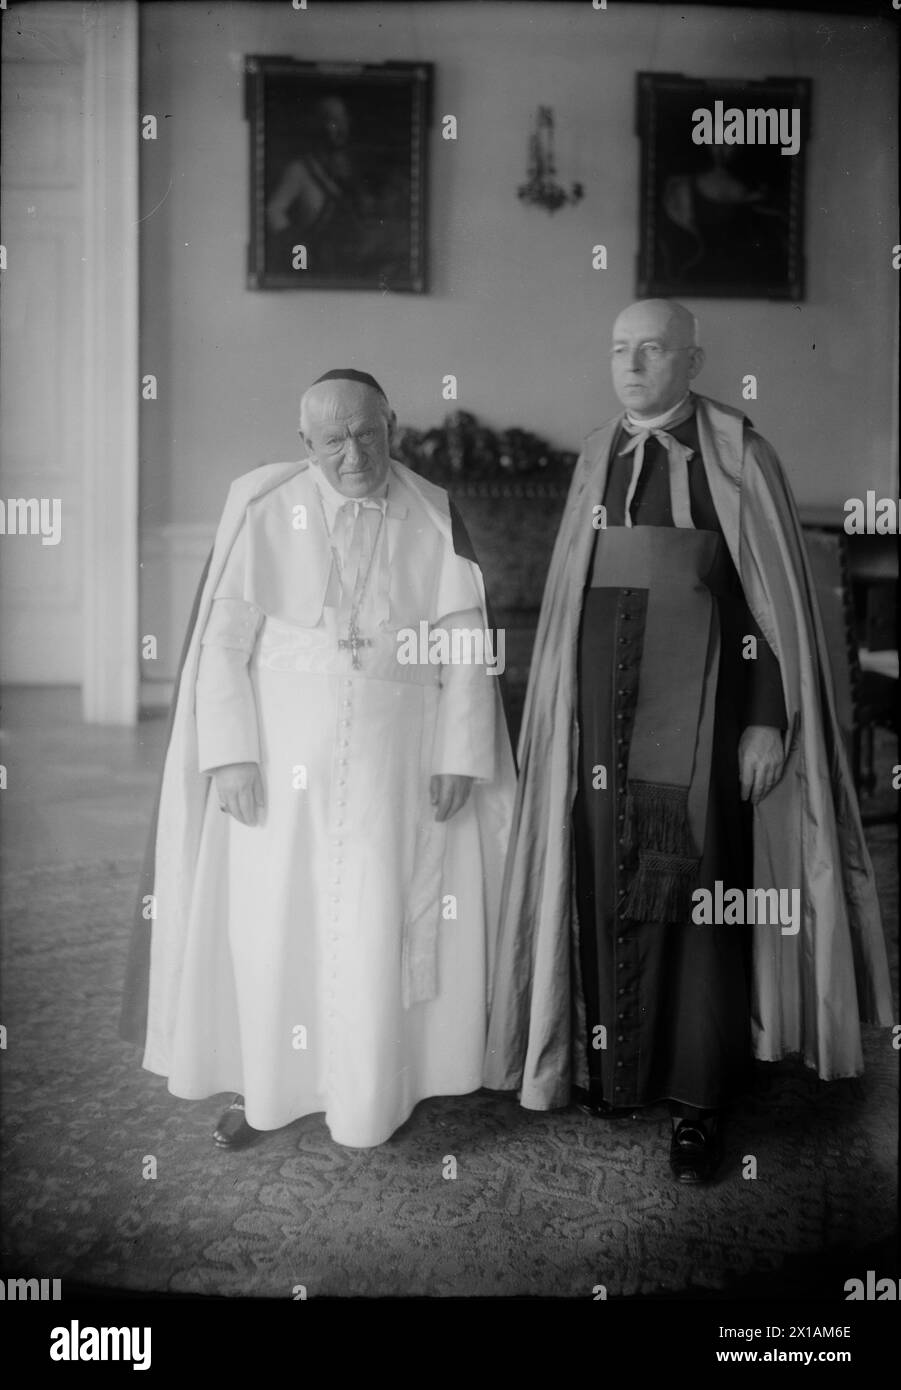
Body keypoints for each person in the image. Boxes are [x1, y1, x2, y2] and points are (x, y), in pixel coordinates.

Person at [484, 300, 892, 1183]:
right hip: (601, 719)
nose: (631, 365)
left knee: (694, 895)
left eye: (653, 348)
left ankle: (699, 1101)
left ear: (693, 359)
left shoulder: (741, 455)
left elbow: (768, 609)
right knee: (604, 882)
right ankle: (617, 1073)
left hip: (701, 717)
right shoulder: (596, 453)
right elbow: (567, 602)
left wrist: (764, 717)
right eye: (619, 350)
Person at [121, 369, 515, 1150]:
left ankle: (382, 1089)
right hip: (279, 769)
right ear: (305, 443)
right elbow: (222, 648)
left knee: (378, 924)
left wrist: (460, 752)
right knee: (276, 927)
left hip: (395, 768)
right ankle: (269, 1087)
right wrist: (230, 757)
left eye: (368, 433)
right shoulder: (264, 508)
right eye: (332, 439)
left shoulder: (432, 512)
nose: (353, 453)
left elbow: (467, 650)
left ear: (392, 425)